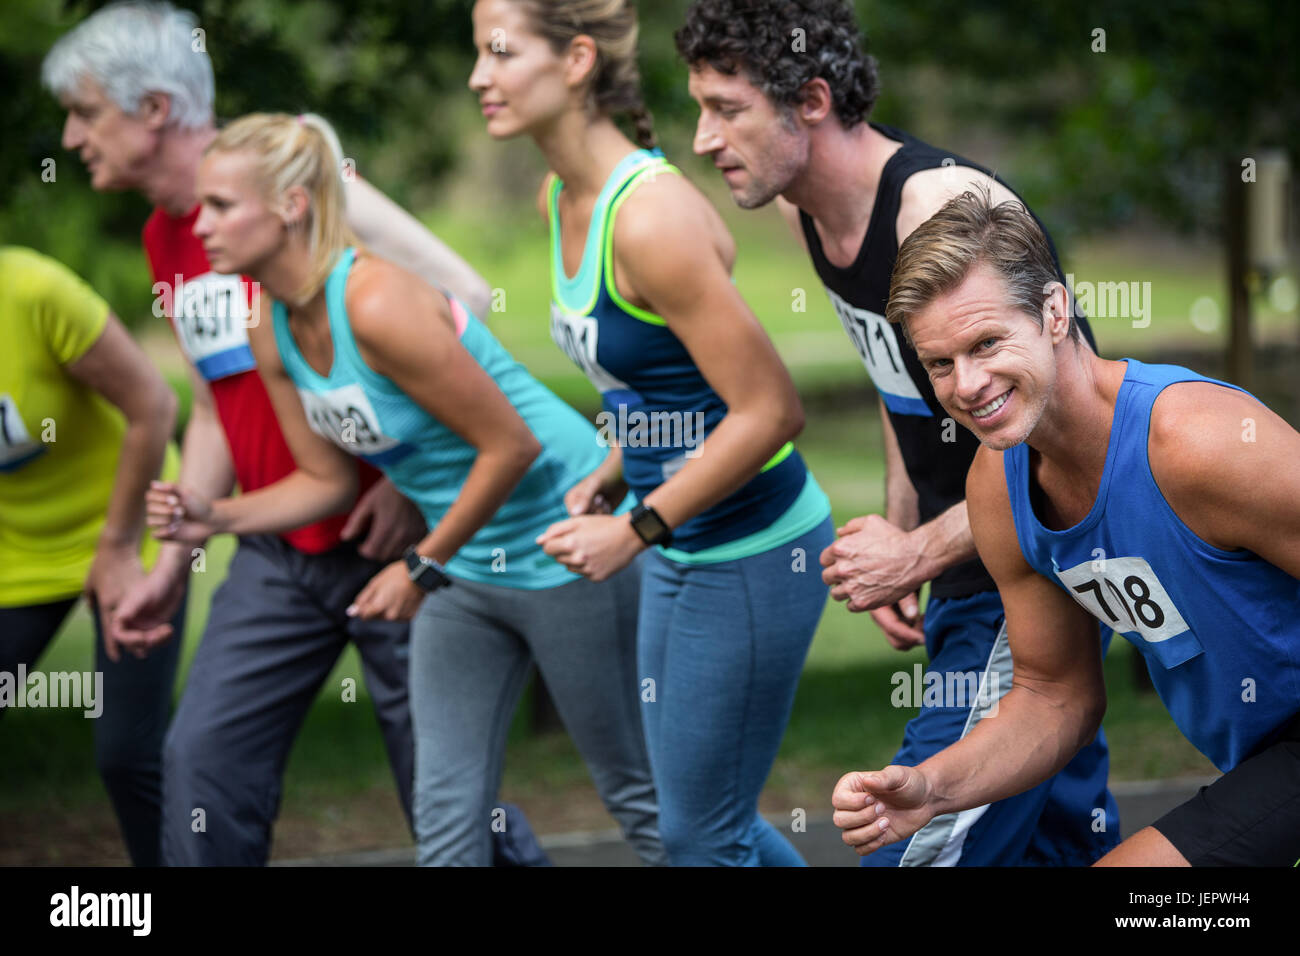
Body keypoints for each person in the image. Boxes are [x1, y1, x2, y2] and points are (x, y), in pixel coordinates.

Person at [41, 0, 548, 866]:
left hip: (393, 545)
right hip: (279, 553)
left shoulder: (295, 179)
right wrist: (173, 563)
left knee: (447, 799)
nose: (72, 134)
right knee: (201, 769)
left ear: (154, 108)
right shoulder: (170, 232)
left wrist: (395, 476)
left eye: (86, 110)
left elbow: (464, 298)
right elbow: (212, 403)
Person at [146, 111, 665, 867]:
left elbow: (509, 445)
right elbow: (324, 484)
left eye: (222, 205)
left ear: (292, 205)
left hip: (568, 546)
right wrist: (212, 514)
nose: (202, 225)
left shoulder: (378, 302)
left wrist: (421, 565)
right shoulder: (271, 324)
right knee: (447, 822)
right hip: (462, 573)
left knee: (641, 803)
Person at [677, 0, 1119, 866]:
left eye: (727, 109)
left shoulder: (942, 207)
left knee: (913, 843)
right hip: (968, 559)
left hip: (1023, 567)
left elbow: (1076, 434)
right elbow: (896, 376)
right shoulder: (804, 208)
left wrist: (916, 551)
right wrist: (901, 524)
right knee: (1058, 844)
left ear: (810, 99)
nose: (703, 138)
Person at [832, 189, 1300, 866]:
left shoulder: (1196, 444)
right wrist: (934, 789)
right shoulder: (999, 486)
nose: (966, 384)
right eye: (940, 363)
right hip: (1261, 756)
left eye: (986, 342)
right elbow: (1056, 695)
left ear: (1054, 312)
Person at [469, 0, 834, 867]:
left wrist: (633, 528)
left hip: (750, 551)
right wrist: (613, 467)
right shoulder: (561, 195)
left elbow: (771, 410)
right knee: (703, 826)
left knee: (699, 834)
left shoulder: (649, 217)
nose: (480, 77)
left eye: (499, 52)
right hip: (680, 544)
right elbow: (658, 381)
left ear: (576, 60)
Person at [0, 245, 185, 866]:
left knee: (126, 756)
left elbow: (155, 405)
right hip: (16, 557)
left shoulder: (32, 290)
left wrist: (118, 547)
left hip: (129, 531)